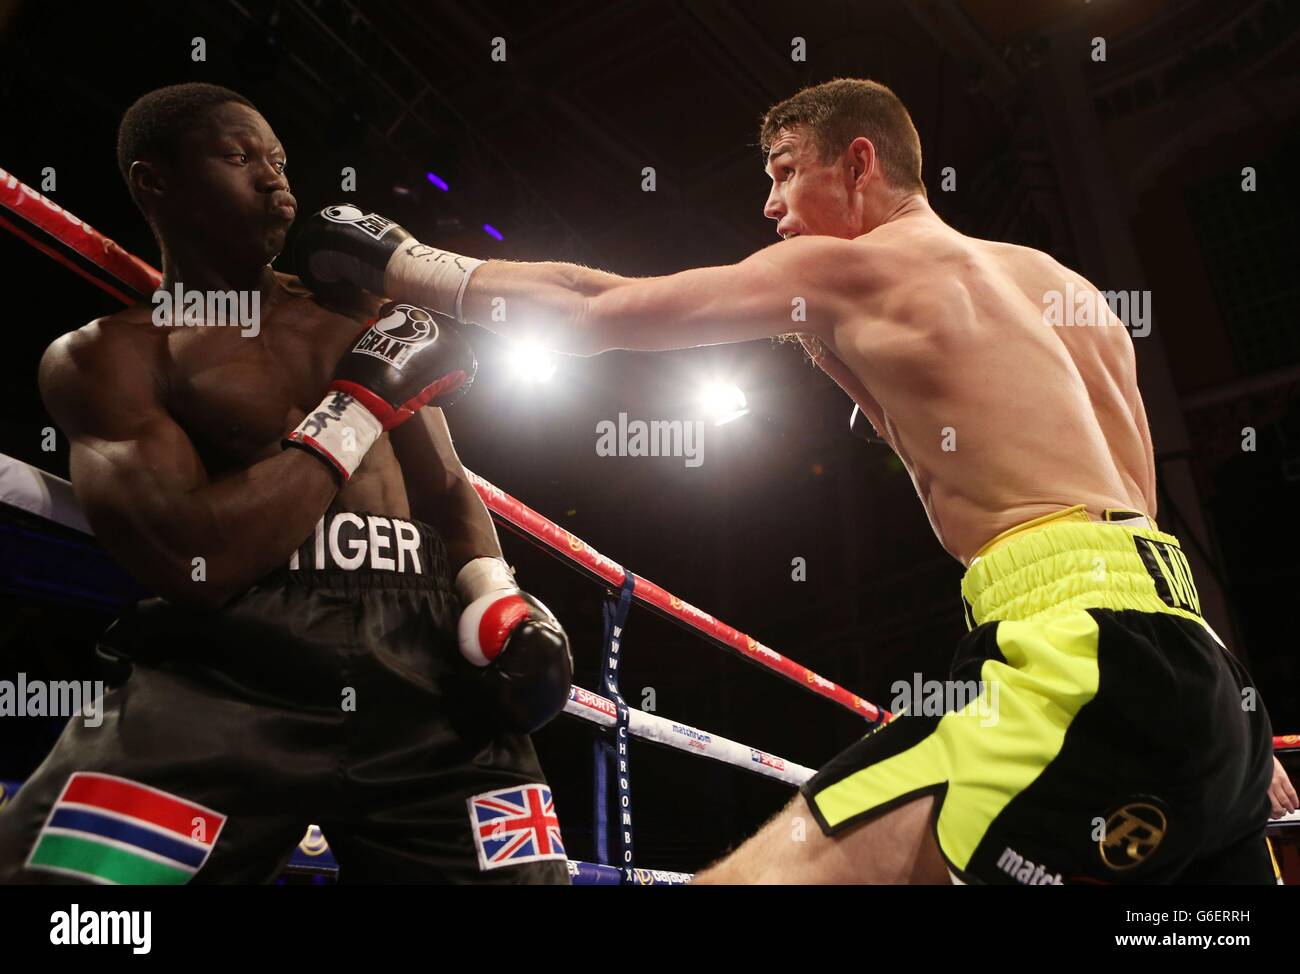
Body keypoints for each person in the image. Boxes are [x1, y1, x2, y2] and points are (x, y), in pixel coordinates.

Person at [296, 78, 1279, 884]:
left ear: (859, 163)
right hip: (1202, 682)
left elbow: (596, 306)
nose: (768, 207)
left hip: (1069, 656)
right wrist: (1234, 710)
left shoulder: (854, 271)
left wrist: (405, 261)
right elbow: (1139, 523)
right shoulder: (1066, 290)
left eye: (782, 174)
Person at [0, 82, 572, 884]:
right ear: (152, 182)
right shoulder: (110, 356)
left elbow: (444, 489)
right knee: (71, 905)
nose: (276, 181)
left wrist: (497, 596)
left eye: (279, 160)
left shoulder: (363, 318)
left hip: (425, 664)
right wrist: (358, 403)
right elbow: (193, 561)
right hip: (229, 669)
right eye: (239, 158)